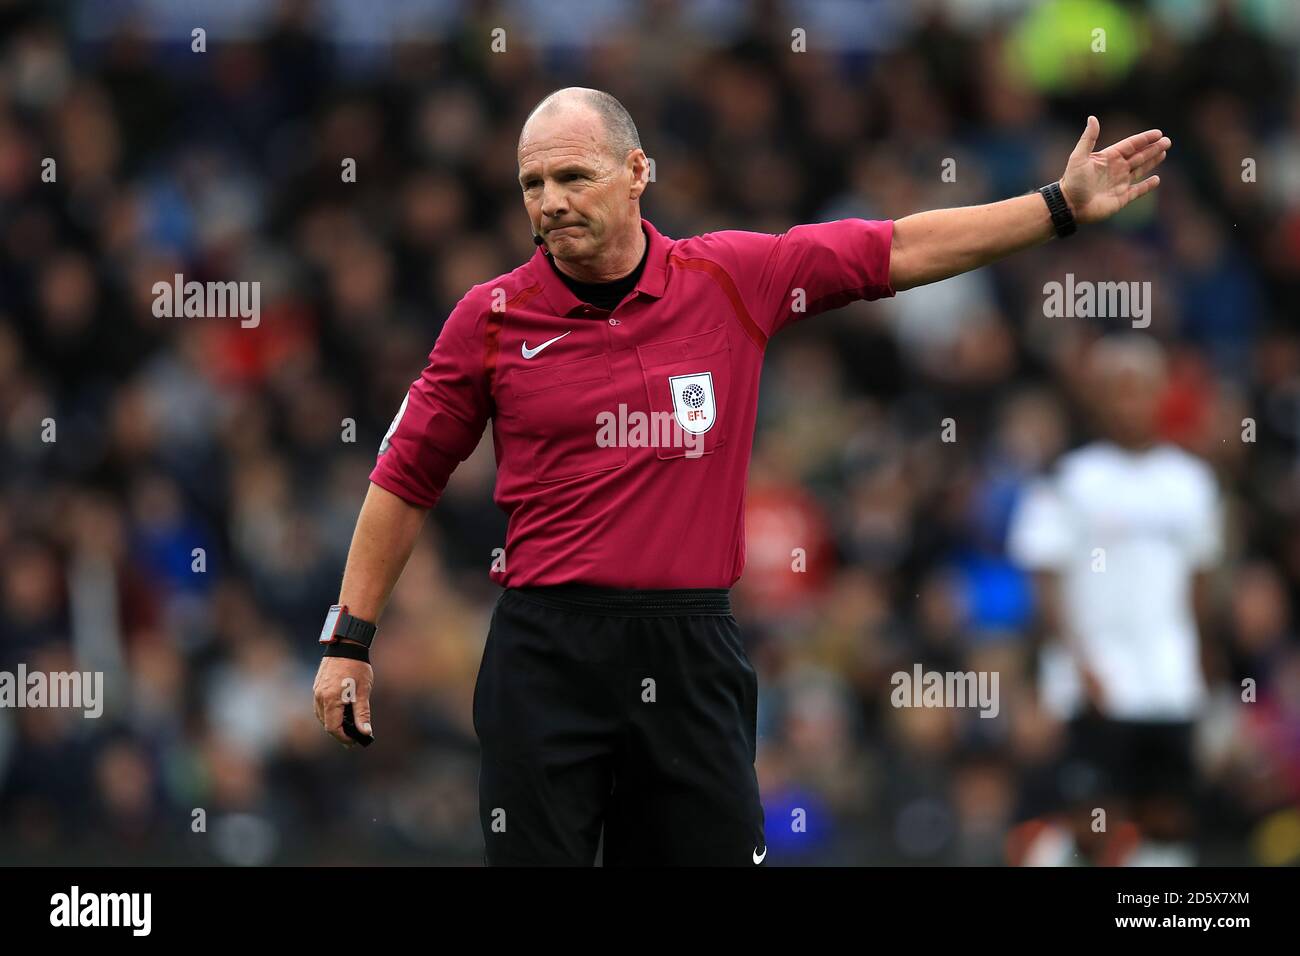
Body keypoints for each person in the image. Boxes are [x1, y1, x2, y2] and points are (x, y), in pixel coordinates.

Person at [312, 86, 1173, 866]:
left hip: (691, 653)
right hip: (546, 655)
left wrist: (1057, 207)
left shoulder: (730, 278)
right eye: (532, 186)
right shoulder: (489, 319)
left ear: (638, 170)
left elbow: (897, 248)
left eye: (572, 176)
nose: (551, 202)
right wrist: (350, 641)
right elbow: (403, 478)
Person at [1008, 335, 1222, 865]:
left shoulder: (1191, 482)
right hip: (1095, 679)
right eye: (1116, 391)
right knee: (1092, 820)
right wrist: (1074, 660)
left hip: (1168, 679)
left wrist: (1199, 657)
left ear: (1159, 395)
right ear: (1097, 398)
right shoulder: (1070, 479)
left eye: (1139, 390)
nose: (1129, 404)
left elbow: (1199, 579)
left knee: (1167, 820)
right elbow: (1045, 578)